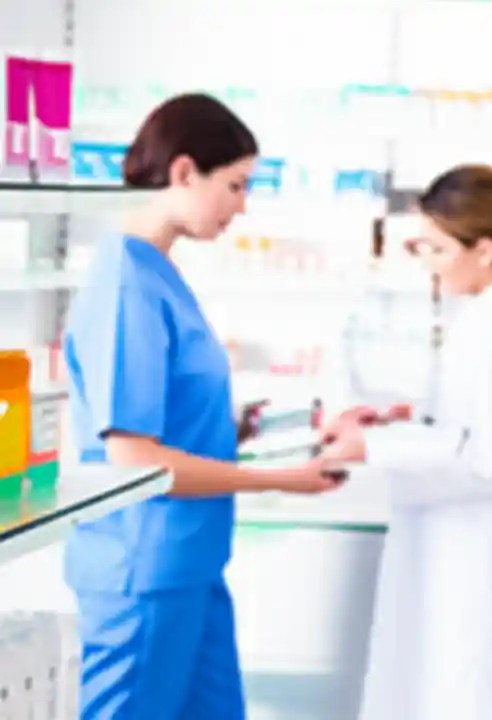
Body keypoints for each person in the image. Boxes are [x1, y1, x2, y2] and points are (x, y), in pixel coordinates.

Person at [61, 93, 342, 720]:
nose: (243, 206)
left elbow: (163, 420)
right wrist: (275, 480)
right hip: (144, 570)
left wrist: (235, 428)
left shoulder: (158, 271)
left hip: (190, 566)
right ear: (185, 172)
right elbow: (134, 456)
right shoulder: (126, 283)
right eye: (236, 185)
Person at [321, 163, 492, 719]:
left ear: (484, 250)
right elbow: (471, 429)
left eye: (436, 250)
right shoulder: (490, 316)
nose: (428, 267)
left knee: (468, 694)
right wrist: (400, 421)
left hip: (481, 560)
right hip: (463, 552)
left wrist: (372, 448)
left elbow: (489, 460)